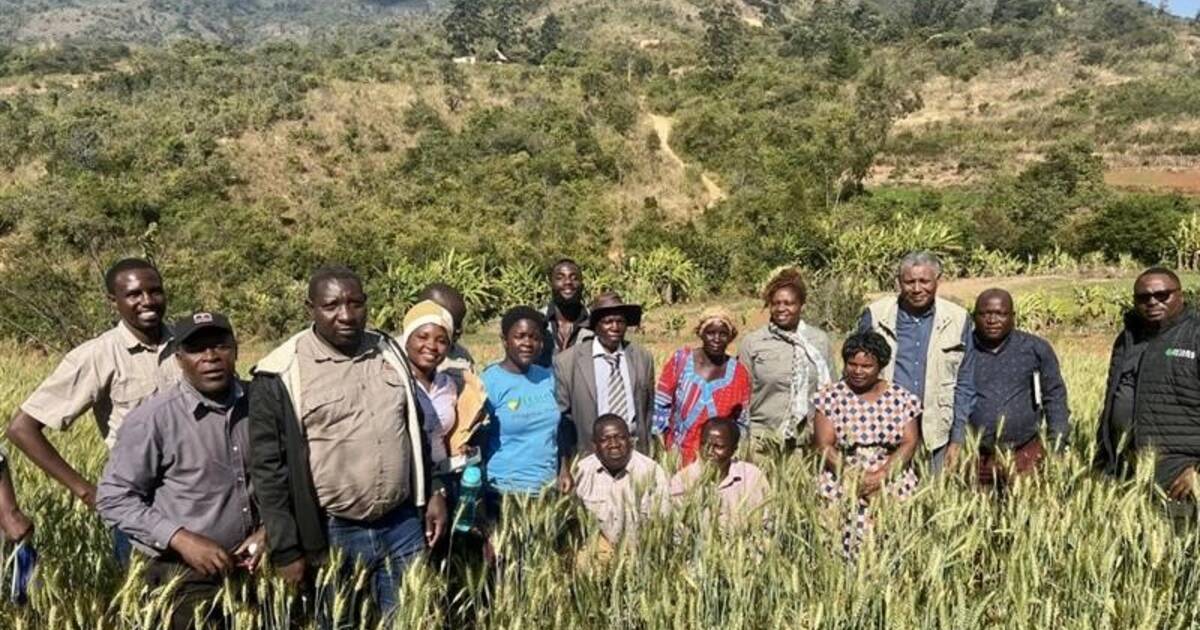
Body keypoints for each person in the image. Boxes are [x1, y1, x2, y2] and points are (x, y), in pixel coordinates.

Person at [247, 266, 447, 622]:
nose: (346, 315)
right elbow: (268, 471)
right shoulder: (280, 372)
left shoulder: (388, 351)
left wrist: (434, 490)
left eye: (356, 303)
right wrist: (287, 548)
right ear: (311, 307)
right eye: (332, 305)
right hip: (335, 532)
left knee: (410, 620)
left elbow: (415, 428)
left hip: (402, 524)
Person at [96, 312, 264, 630]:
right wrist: (181, 539)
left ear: (236, 349)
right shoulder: (154, 419)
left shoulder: (260, 403)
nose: (211, 357)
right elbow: (113, 498)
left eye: (220, 346)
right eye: (197, 349)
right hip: (182, 576)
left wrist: (267, 531)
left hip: (253, 570)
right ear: (179, 358)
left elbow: (283, 473)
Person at [7, 257, 179, 563]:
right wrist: (87, 492)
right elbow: (22, 429)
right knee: (144, 596)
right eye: (134, 294)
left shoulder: (189, 345)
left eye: (155, 291)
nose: (147, 301)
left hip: (203, 496)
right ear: (113, 302)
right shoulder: (97, 355)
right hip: (141, 502)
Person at [1094, 268, 1200, 525]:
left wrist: (1198, 472)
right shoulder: (1127, 340)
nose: (1152, 301)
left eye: (1162, 295)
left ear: (1180, 295)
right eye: (1143, 297)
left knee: (1179, 555)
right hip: (1125, 472)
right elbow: (1112, 400)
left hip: (1179, 477)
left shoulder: (1195, 336)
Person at [857, 251, 976, 472]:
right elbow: (856, 372)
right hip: (884, 432)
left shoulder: (958, 319)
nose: (917, 288)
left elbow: (965, 383)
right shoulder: (876, 316)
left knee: (935, 500)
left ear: (937, 281)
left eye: (924, 281)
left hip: (936, 433)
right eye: (910, 282)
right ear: (898, 282)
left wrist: (957, 439)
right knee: (885, 501)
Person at [812, 332, 921, 558]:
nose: (858, 371)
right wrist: (855, 478)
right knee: (839, 547)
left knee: (891, 546)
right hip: (843, 475)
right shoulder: (830, 397)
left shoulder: (902, 398)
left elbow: (910, 442)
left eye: (866, 366)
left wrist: (881, 475)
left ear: (880, 365)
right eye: (852, 364)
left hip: (892, 475)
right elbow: (824, 445)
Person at [969, 289, 1070, 489]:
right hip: (976, 456)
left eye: (1000, 313)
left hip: (1025, 453)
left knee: (1026, 512)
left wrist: (1056, 443)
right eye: (985, 313)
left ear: (1013, 317)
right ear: (974, 316)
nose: (992, 319)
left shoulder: (1035, 349)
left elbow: (1054, 396)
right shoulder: (962, 349)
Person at [481, 306, 572, 504]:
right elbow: (477, 440)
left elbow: (560, 429)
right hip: (503, 492)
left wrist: (564, 468)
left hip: (547, 490)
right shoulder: (489, 382)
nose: (527, 343)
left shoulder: (548, 377)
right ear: (505, 340)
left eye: (534, 337)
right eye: (520, 336)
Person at [737, 267, 834, 448]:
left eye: (789, 303)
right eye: (776, 303)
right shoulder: (753, 342)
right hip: (762, 439)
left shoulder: (819, 341)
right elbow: (742, 395)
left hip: (807, 440)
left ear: (801, 305)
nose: (782, 309)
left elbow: (831, 393)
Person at [555, 292, 655, 457]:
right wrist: (566, 460)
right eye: (608, 322)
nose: (615, 327)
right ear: (595, 325)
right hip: (590, 453)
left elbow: (648, 410)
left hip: (634, 451)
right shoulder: (568, 361)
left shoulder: (642, 357)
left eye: (620, 322)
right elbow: (563, 418)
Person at [654, 307, 752, 465]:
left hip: (718, 458)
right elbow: (660, 405)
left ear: (730, 337)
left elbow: (742, 421)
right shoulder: (681, 360)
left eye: (723, 334)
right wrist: (661, 449)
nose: (716, 339)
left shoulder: (739, 374)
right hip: (678, 455)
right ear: (701, 333)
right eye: (710, 333)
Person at [573, 414, 670, 550]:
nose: (614, 444)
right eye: (605, 439)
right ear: (594, 445)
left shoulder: (651, 471)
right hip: (596, 559)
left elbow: (663, 521)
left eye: (620, 437)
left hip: (641, 556)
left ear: (630, 440)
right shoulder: (581, 473)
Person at [669, 418, 770, 530]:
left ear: (734, 449)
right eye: (704, 444)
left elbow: (766, 522)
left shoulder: (752, 476)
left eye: (718, 447)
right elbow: (678, 529)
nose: (709, 452)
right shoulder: (683, 480)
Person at [418, 283, 475, 389]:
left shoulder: (461, 356)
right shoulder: (393, 355)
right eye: (451, 322)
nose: (459, 330)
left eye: (460, 322)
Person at [536, 259, 592, 368]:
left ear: (582, 284)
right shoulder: (536, 322)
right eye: (560, 278)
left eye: (574, 278)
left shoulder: (595, 323)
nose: (568, 282)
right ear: (550, 284)